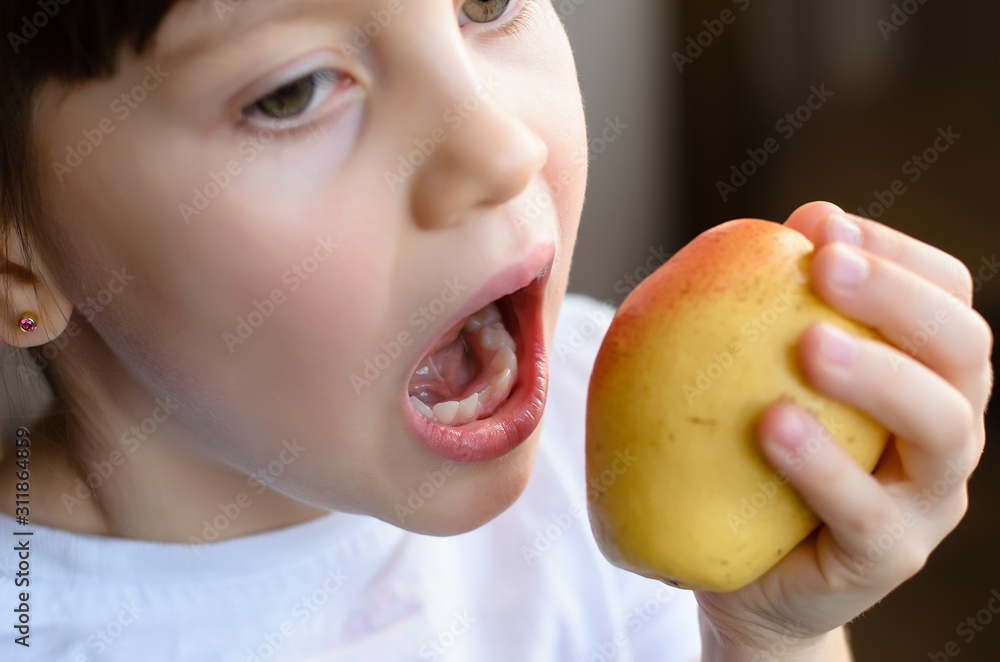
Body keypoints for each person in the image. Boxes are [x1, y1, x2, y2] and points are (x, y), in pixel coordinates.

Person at [0, 1, 991, 660]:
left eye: (483, 2)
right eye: (294, 91)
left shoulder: (616, 469)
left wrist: (772, 633)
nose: (499, 145)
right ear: (17, 254)